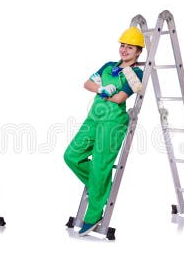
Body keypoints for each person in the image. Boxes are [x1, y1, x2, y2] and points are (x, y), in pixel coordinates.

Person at [64, 27, 145, 236]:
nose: (124, 50)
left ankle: (93, 215)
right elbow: (87, 83)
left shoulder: (137, 73)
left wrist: (109, 89)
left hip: (113, 122)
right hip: (93, 118)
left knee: (101, 165)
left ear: (138, 52)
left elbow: (120, 98)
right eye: (122, 45)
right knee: (72, 155)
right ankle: (100, 188)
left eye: (130, 47)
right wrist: (100, 89)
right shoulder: (109, 66)